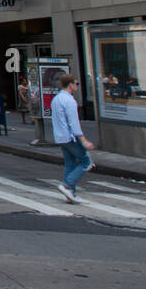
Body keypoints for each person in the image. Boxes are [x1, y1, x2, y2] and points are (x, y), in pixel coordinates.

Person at [51, 75, 94, 203]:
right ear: (70, 85)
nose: (77, 85)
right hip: (70, 137)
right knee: (86, 162)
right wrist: (84, 140)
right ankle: (67, 185)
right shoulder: (69, 101)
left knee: (70, 164)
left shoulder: (57, 99)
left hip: (60, 137)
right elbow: (74, 123)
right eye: (76, 83)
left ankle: (71, 194)